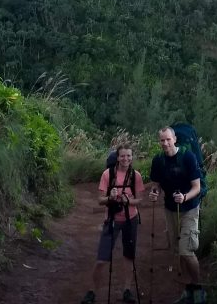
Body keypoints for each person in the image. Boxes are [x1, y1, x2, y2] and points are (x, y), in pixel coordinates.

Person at [148, 126, 206, 304]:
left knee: (186, 250)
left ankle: (198, 289)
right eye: (162, 140)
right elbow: (155, 183)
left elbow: (197, 187)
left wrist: (184, 197)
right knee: (176, 251)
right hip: (170, 209)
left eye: (168, 139)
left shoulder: (188, 157)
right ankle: (188, 290)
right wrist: (154, 192)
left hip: (189, 208)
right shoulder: (158, 160)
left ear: (174, 139)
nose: (165, 143)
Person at [81, 145, 145, 304]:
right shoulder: (107, 175)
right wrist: (110, 197)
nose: (126, 159)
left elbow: (139, 200)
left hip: (131, 219)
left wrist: (128, 200)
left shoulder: (135, 176)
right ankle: (91, 291)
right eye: (123, 156)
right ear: (117, 157)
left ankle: (127, 290)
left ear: (132, 157)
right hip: (112, 220)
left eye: (129, 156)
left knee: (129, 256)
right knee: (102, 258)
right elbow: (100, 200)